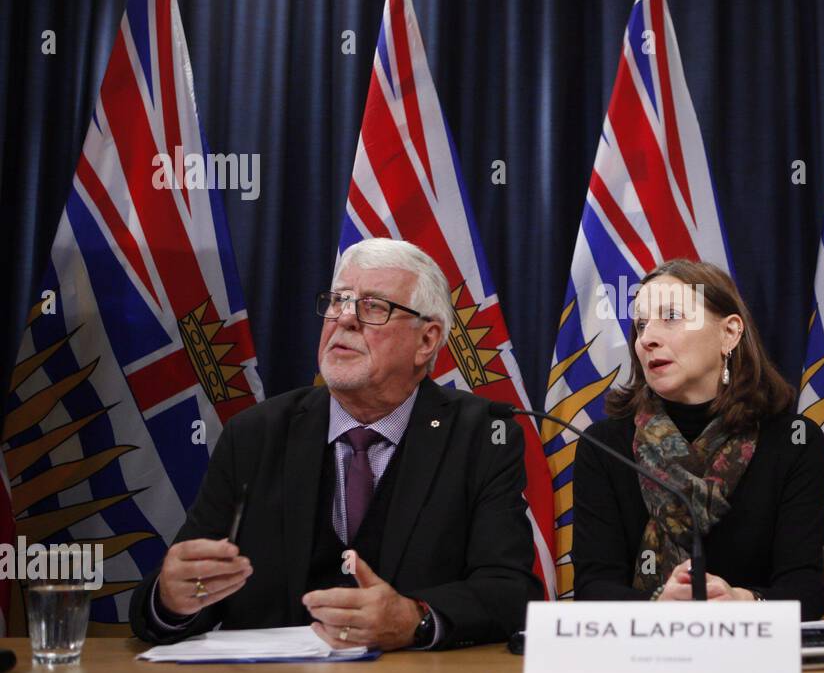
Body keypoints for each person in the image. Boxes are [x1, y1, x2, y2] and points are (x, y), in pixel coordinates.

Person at [129, 238, 541, 650]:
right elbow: (179, 596)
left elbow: (510, 591)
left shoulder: (482, 436)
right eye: (338, 301)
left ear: (426, 341)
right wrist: (172, 600)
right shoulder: (255, 434)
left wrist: (415, 618)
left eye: (374, 307)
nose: (344, 319)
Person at [572, 259, 824, 619]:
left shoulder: (793, 443)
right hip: (640, 660)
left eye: (672, 317)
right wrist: (658, 606)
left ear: (730, 333)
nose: (647, 339)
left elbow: (807, 588)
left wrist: (743, 602)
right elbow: (592, 588)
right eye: (641, 325)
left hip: (753, 658)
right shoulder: (604, 446)